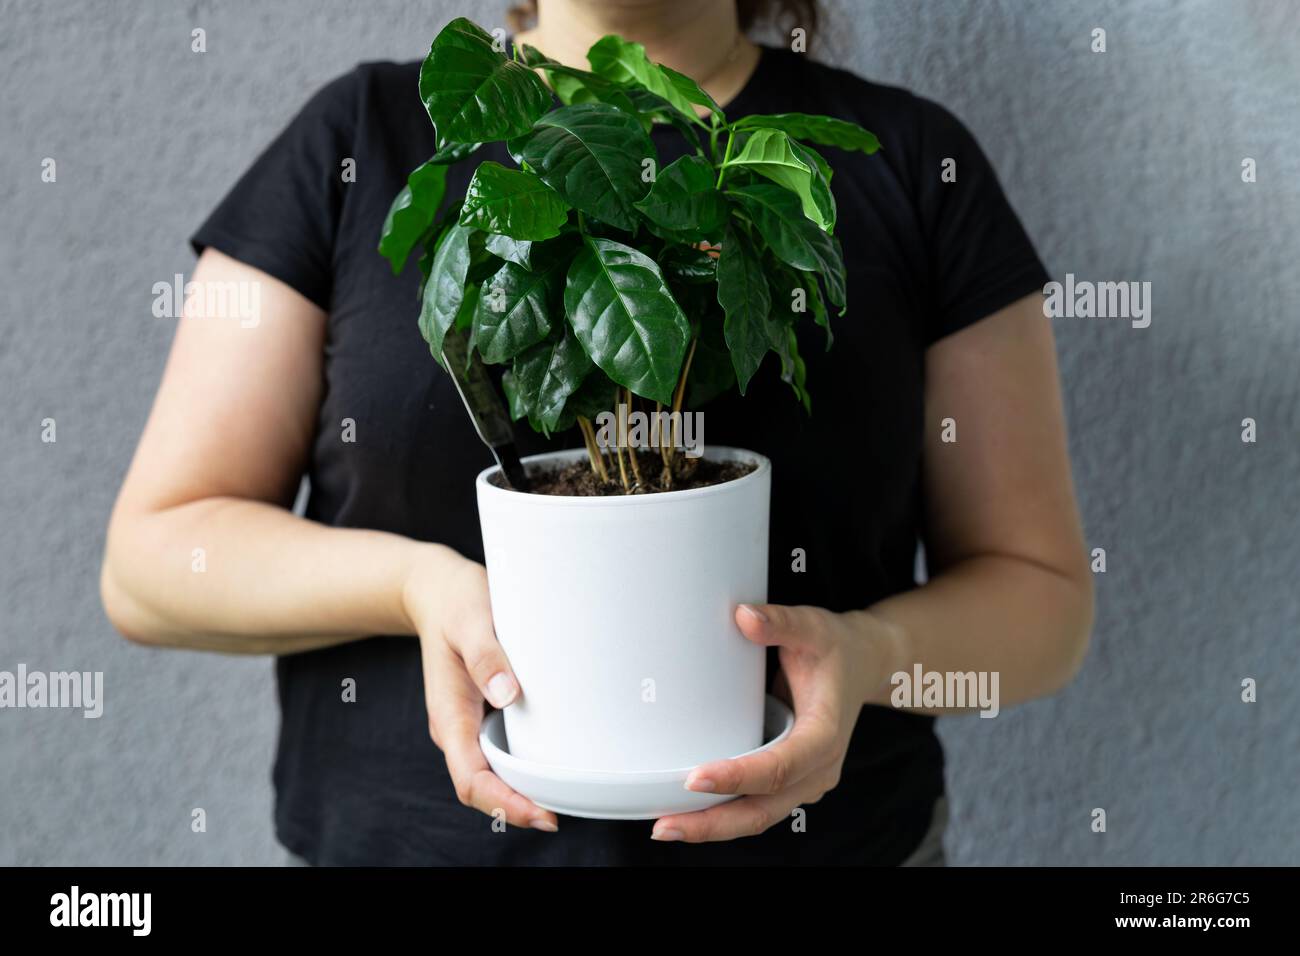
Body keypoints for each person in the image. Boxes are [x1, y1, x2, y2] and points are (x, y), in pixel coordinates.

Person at [101, 0, 1093, 866]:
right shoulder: (364, 137)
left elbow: (1039, 596)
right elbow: (152, 562)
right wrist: (418, 587)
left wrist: (867, 651)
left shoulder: (907, 162)